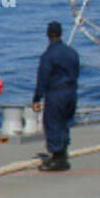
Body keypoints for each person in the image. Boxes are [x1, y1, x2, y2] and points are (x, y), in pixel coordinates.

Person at [32, 21, 80, 171]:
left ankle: (57, 158)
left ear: (48, 34)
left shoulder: (48, 56)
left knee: (53, 123)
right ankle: (63, 153)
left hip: (56, 92)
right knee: (65, 123)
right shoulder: (72, 53)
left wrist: (36, 98)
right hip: (71, 92)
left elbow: (43, 78)